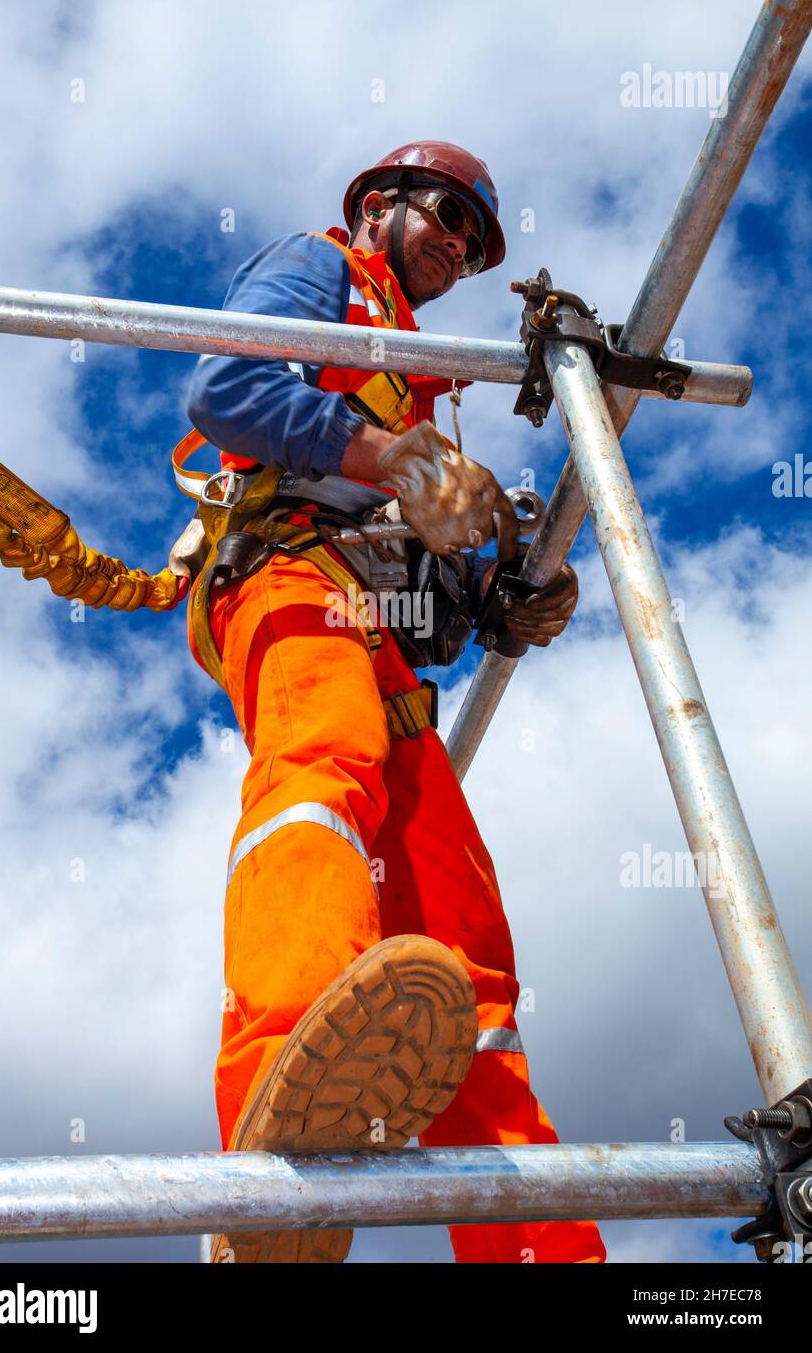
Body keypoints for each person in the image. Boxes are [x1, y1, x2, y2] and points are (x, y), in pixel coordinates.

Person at [180, 141, 606, 1264]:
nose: (459, 249)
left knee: (463, 945)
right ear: (378, 205)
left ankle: (535, 1246)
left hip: (389, 651)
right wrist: (392, 459)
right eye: (449, 218)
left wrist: (497, 598)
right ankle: (284, 1068)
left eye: (476, 241)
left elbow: (434, 570)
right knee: (319, 782)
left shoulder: (421, 376)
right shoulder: (318, 274)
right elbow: (224, 389)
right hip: (288, 580)